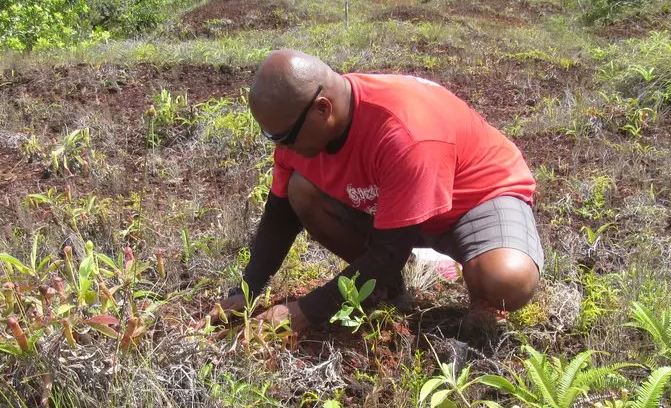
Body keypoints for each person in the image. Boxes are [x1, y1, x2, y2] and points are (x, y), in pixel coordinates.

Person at [212, 49, 543, 333]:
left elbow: (390, 250)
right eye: (273, 138)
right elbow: (281, 212)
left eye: (284, 138)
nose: (282, 148)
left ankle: (482, 302)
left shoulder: (404, 131)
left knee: (504, 282)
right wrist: (247, 290)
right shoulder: (299, 124)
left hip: (472, 201)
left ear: (323, 109)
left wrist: (304, 311)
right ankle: (385, 287)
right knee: (301, 189)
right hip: (394, 210)